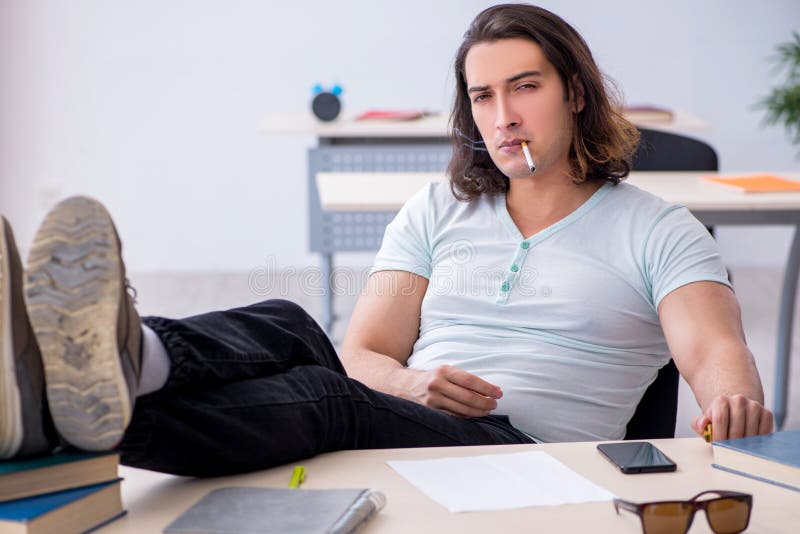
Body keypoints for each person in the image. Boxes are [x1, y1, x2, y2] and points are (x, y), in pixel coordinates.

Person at [0, 4, 772, 476]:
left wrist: (732, 402)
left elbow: (712, 354)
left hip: (532, 457)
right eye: (482, 96)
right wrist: (410, 383)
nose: (502, 115)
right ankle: (105, 376)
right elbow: (364, 350)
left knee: (326, 400)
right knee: (292, 323)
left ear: (573, 91)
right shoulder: (440, 209)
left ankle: (77, 386)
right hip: (422, 416)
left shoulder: (658, 227)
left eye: (524, 87)